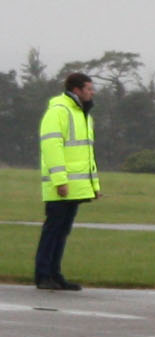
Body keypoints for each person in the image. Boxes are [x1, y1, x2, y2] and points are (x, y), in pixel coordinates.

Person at [34, 71, 97, 292]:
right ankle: (43, 275)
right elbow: (52, 148)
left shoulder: (83, 114)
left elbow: (86, 155)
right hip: (60, 186)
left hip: (75, 186)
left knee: (62, 231)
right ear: (77, 90)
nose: (92, 93)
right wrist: (60, 181)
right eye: (89, 89)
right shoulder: (59, 111)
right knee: (53, 230)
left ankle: (55, 274)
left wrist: (93, 186)